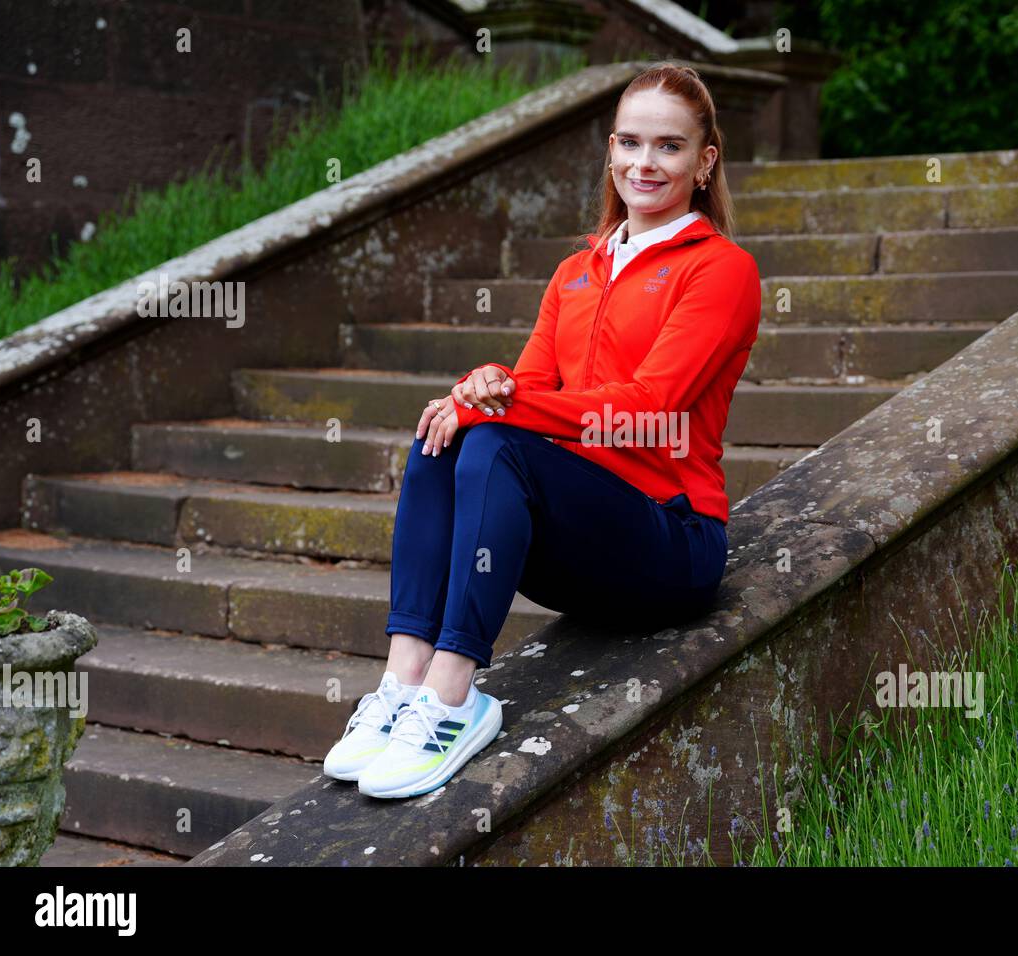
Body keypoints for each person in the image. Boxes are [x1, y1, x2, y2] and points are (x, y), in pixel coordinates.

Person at [324, 62, 762, 799]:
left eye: (668, 147)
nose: (643, 163)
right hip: (584, 545)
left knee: (490, 437)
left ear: (704, 161)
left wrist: (499, 407)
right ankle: (403, 681)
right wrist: (483, 385)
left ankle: (455, 696)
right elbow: (526, 390)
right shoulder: (575, 273)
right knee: (447, 431)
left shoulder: (720, 270)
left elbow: (649, 410)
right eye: (629, 143)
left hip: (670, 541)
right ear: (610, 150)